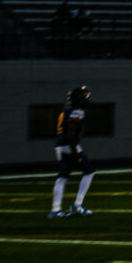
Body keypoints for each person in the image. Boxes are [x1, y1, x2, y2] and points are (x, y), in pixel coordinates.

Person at [50, 85, 96, 218]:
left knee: (62, 177)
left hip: (59, 146)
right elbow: (70, 133)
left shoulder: (66, 111)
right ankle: (77, 204)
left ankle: (56, 209)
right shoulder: (77, 112)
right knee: (89, 171)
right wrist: (76, 152)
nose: (87, 100)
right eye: (85, 97)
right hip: (70, 146)